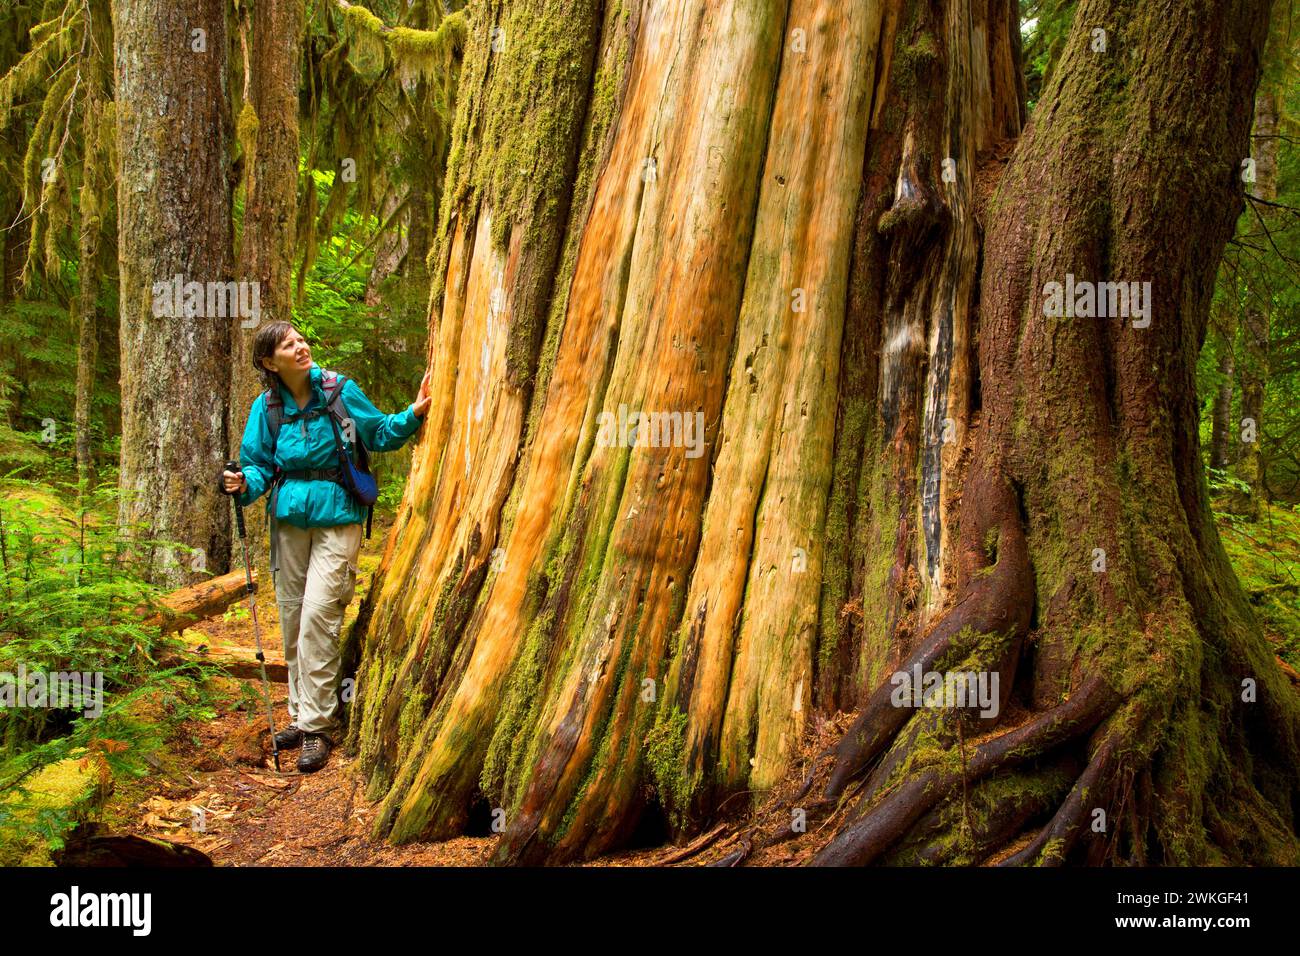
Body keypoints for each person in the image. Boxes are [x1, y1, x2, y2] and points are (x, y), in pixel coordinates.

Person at [221, 321, 431, 772]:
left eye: (300, 340)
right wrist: (242, 483)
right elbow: (258, 465)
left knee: (320, 612)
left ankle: (319, 727)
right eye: (287, 344)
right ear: (268, 362)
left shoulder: (338, 392)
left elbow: (376, 433)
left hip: (339, 514)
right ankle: (300, 715)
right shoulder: (268, 406)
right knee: (293, 614)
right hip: (289, 521)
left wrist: (413, 413)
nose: (300, 347)